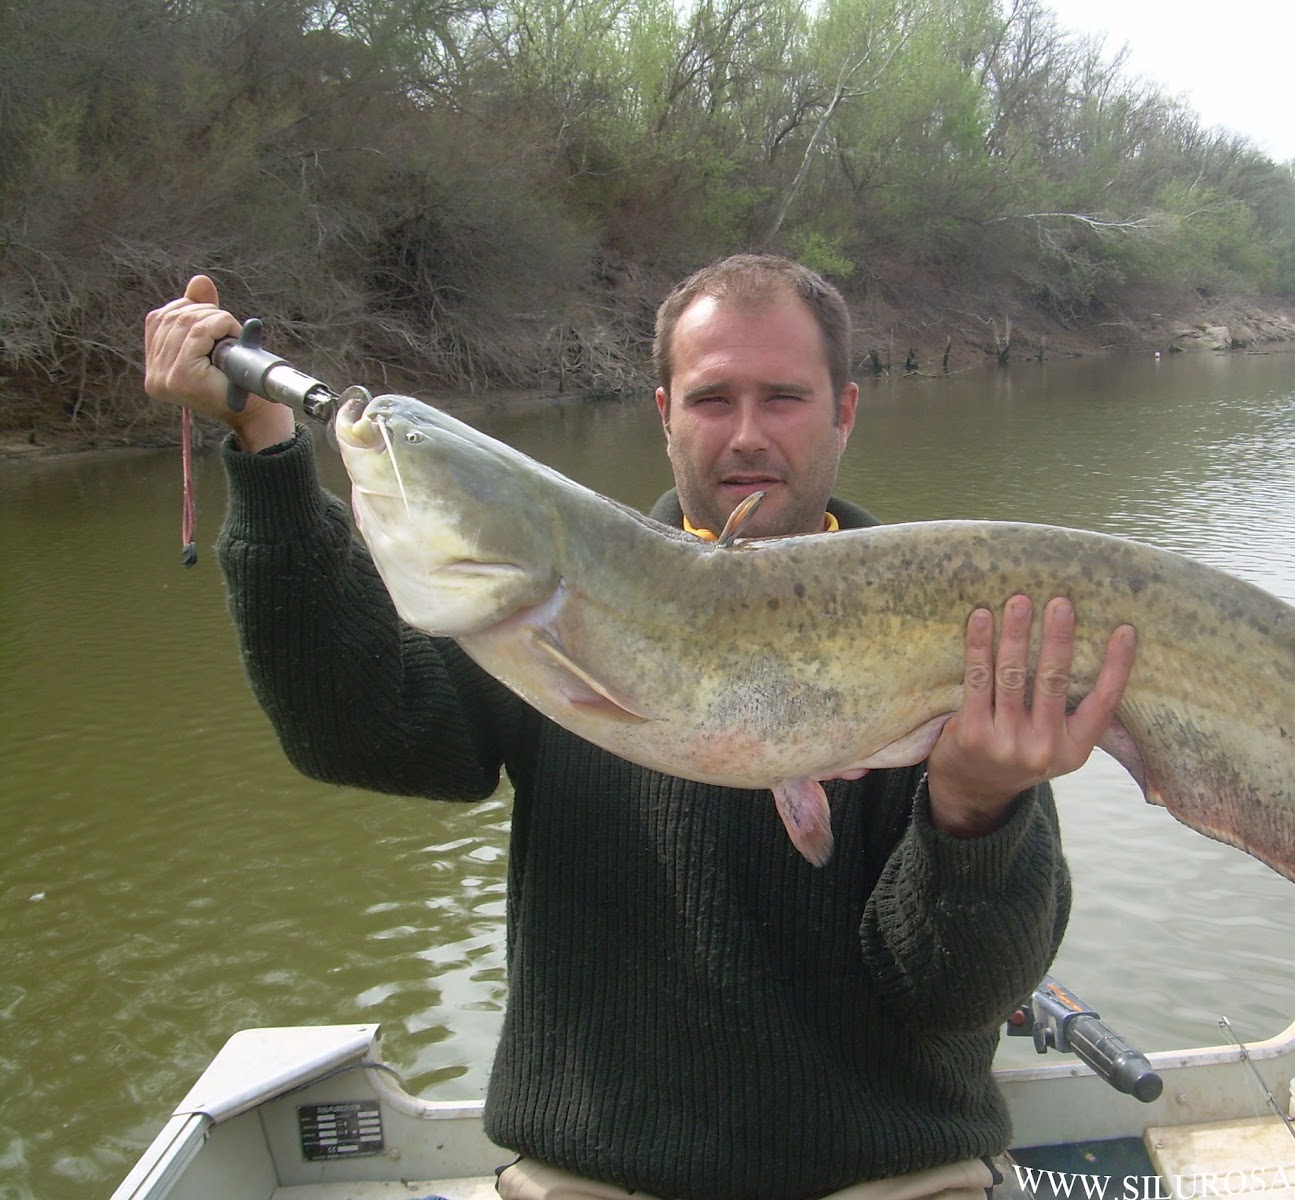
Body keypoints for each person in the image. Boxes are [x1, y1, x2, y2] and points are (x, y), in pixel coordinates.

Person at [143, 255, 1137, 1200]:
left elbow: (958, 997)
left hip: (892, 1176)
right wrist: (270, 449)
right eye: (711, 399)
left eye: (782, 398)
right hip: (594, 1175)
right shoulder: (544, 604)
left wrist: (976, 806)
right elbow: (349, 728)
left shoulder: (961, 633)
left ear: (843, 411)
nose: (746, 433)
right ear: (664, 416)